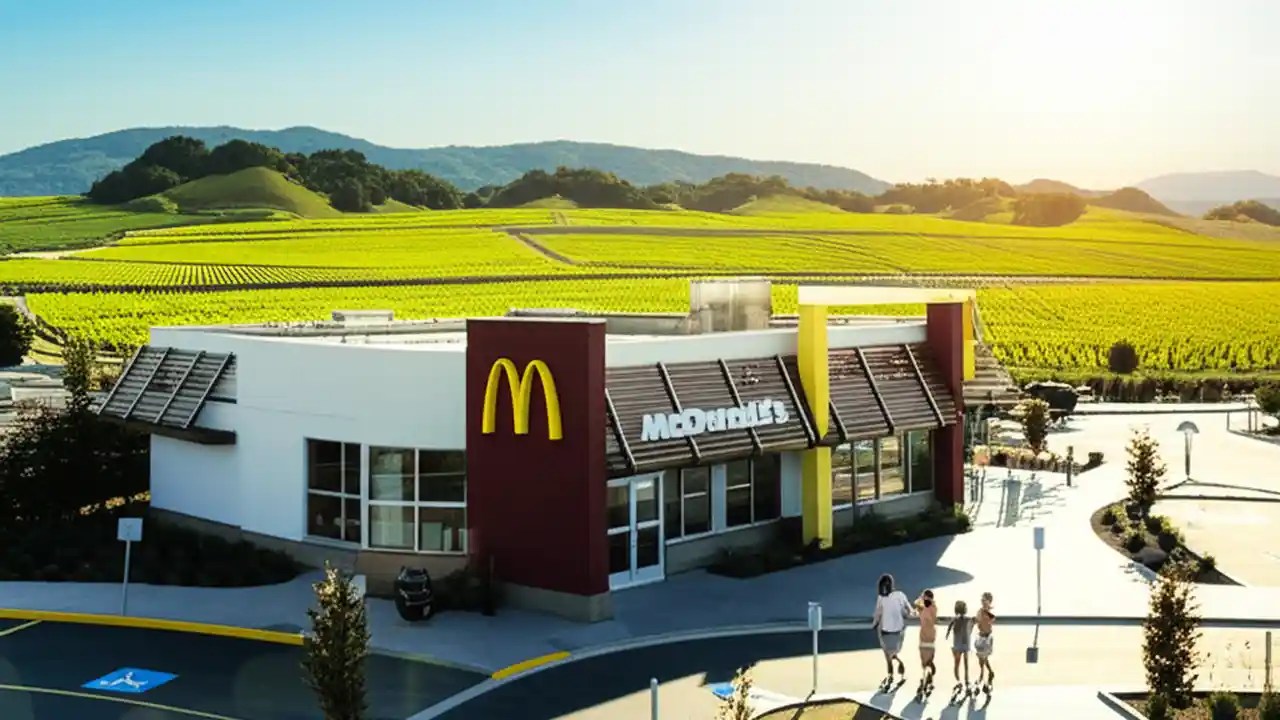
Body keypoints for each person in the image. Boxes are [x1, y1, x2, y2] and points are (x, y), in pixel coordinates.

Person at [871, 573, 912, 690]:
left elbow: (877, 614)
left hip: (886, 632)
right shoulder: (900, 595)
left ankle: (890, 673)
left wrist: (873, 625)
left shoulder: (881, 598)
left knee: (887, 653)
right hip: (898, 631)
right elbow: (909, 610)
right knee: (892, 651)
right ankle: (896, 664)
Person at [913, 589, 939, 696]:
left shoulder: (922, 609)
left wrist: (920, 598)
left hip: (923, 637)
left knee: (924, 663)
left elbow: (915, 603)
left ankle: (924, 680)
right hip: (932, 636)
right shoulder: (934, 608)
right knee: (929, 661)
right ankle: (929, 679)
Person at [945, 599, 973, 696]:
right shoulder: (968, 619)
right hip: (965, 644)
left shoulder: (954, 619)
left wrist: (947, 635)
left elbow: (949, 629)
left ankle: (958, 681)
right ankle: (967, 681)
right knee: (966, 664)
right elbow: (972, 626)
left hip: (957, 644)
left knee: (957, 664)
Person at [974, 592, 996, 693]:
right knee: (981, 658)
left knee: (984, 657)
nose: (982, 602)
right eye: (982, 600)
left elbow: (992, 619)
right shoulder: (980, 611)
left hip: (987, 637)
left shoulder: (987, 612)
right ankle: (987, 673)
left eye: (984, 600)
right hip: (981, 636)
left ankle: (983, 674)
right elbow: (978, 621)